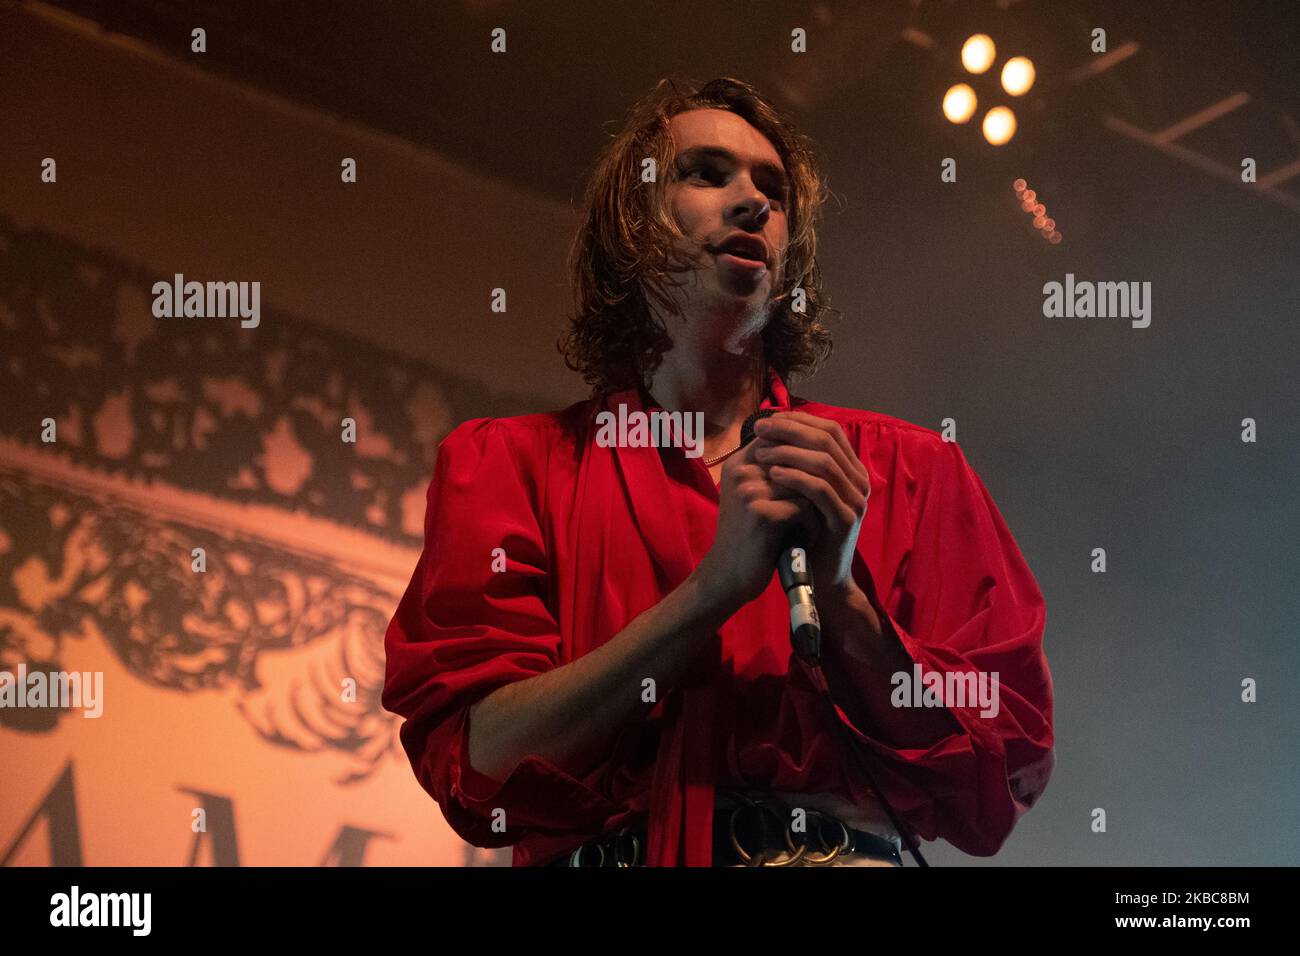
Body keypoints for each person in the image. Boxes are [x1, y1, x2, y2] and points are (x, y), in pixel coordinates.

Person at [382, 77, 1055, 867]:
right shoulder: (508, 466)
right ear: (631, 224)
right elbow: (480, 765)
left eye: (774, 189)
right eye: (705, 173)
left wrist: (843, 603)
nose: (753, 201)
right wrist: (712, 591)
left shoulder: (913, 469)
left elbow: (1006, 757)